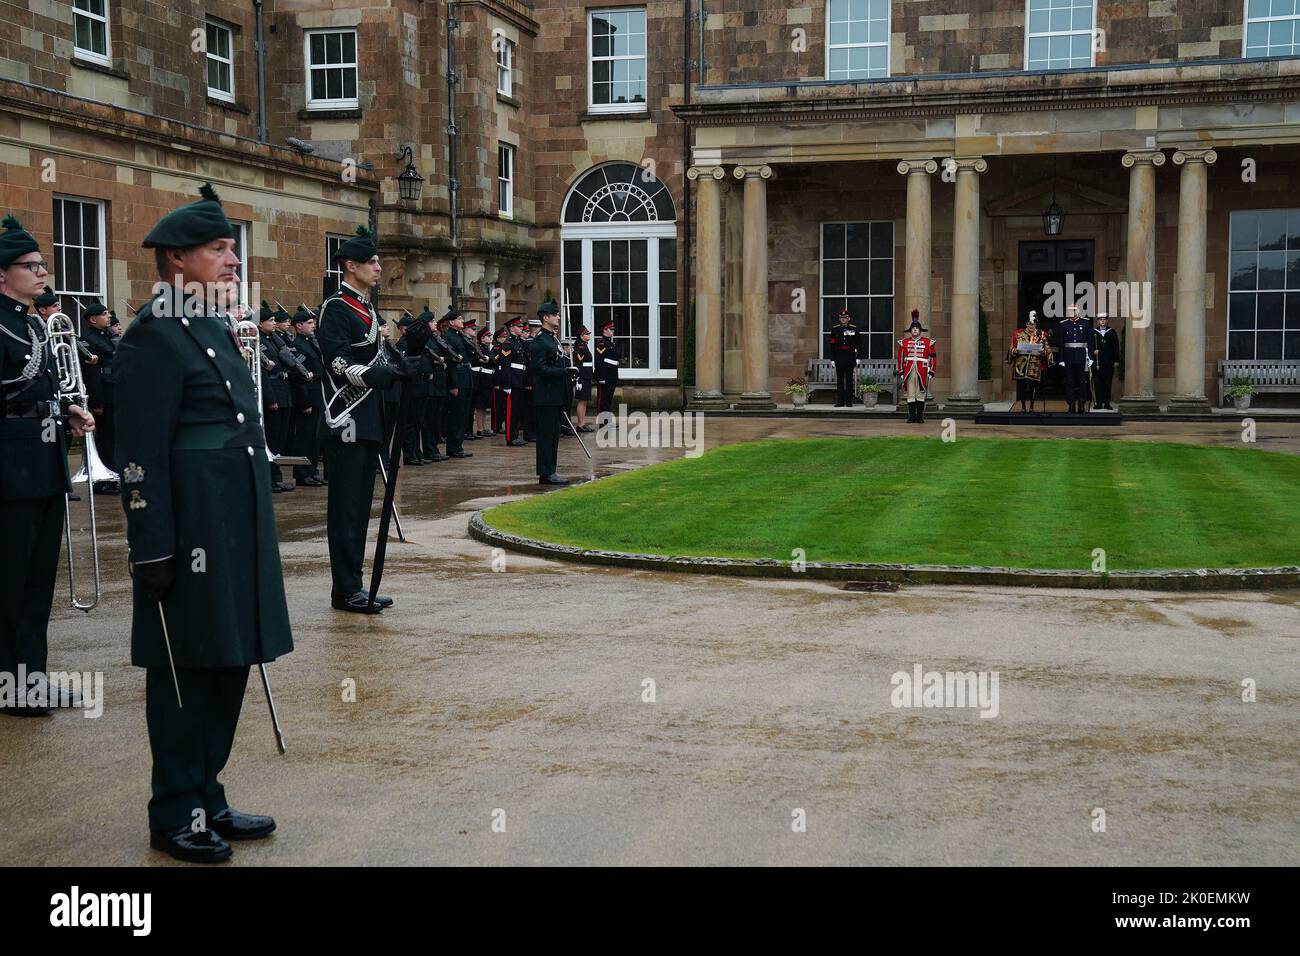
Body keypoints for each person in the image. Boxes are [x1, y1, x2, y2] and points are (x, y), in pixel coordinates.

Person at [113, 184, 293, 862]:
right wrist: (150, 543)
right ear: (177, 260)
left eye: (231, 248)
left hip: (233, 527)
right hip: (187, 533)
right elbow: (141, 452)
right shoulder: (154, 336)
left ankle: (208, 793)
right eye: (219, 249)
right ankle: (174, 808)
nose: (232, 259)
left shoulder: (212, 326)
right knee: (185, 669)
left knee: (229, 660)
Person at [0, 214, 95, 717]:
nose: (42, 273)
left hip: (42, 460)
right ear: (2, 274)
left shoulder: (32, 322)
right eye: (30, 266)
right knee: (9, 582)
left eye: (41, 265)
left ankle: (31, 677)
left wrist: (67, 410)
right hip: (9, 469)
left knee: (39, 583)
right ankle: (8, 683)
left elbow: (41, 388)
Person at [317, 225, 414, 614]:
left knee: (360, 507)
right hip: (345, 417)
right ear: (350, 266)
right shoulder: (336, 308)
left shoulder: (367, 309)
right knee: (345, 509)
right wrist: (376, 375)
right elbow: (337, 361)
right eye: (371, 262)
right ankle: (344, 589)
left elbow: (379, 357)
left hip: (369, 418)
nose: (378, 267)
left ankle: (354, 584)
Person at [528, 300, 572, 485]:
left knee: (554, 435)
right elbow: (538, 369)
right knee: (546, 436)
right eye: (555, 314)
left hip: (556, 395)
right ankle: (546, 472)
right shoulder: (540, 341)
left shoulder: (552, 339)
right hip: (546, 396)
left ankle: (550, 470)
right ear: (546, 318)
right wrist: (563, 372)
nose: (558, 317)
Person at [80, 301, 120, 492]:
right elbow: (93, 375)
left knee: (113, 437)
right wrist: (97, 402)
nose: (109, 316)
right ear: (93, 319)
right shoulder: (88, 340)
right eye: (104, 314)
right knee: (105, 438)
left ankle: (113, 474)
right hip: (103, 396)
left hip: (113, 394)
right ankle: (105, 480)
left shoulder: (106, 337)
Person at [255, 303, 293, 492]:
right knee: (271, 438)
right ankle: (269, 478)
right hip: (272, 390)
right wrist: (271, 399)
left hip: (282, 389)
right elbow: (264, 373)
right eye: (270, 320)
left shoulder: (273, 339)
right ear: (260, 324)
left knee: (279, 440)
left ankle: (276, 477)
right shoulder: (259, 341)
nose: (274, 323)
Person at [289, 305, 326, 486]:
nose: (313, 325)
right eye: (309, 323)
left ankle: (311, 469)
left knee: (314, 437)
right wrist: (304, 403)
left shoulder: (311, 342)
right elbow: (298, 378)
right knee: (304, 437)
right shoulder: (297, 346)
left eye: (313, 322)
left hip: (317, 393)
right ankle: (302, 473)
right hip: (308, 396)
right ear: (298, 325)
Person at [395, 312, 431, 466]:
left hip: (422, 384)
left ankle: (417, 451)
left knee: (417, 421)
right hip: (413, 385)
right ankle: (409, 454)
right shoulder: (404, 343)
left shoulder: (418, 343)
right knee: (409, 422)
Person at [440, 307, 473, 458]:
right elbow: (451, 363)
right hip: (457, 377)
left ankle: (458, 446)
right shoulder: (449, 337)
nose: (462, 321)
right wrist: (453, 385)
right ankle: (453, 448)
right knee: (456, 415)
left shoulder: (460, 336)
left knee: (463, 414)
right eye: (459, 319)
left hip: (465, 376)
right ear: (452, 322)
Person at [1007, 311, 1053, 413]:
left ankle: (1032, 406)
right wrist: (1015, 351)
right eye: (1029, 324)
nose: (1031, 326)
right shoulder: (1018, 334)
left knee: (1033, 387)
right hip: (1021, 365)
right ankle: (1023, 407)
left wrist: (1043, 352)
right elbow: (1011, 348)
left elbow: (1048, 349)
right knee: (1022, 387)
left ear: (1036, 324)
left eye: (1033, 324)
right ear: (1026, 324)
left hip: (1035, 365)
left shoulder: (1041, 334)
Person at [420, 310, 451, 462]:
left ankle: (433, 449)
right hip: (430, 383)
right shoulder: (424, 339)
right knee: (429, 419)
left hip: (438, 382)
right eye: (432, 322)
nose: (435, 324)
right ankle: (429, 450)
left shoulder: (434, 338)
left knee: (435, 419)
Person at [896, 310, 937, 424]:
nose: (915, 330)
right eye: (913, 329)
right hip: (909, 371)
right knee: (910, 394)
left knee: (920, 394)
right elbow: (900, 358)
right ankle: (911, 417)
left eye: (917, 329)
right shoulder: (903, 343)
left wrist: (932, 370)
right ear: (910, 331)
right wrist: (901, 371)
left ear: (920, 331)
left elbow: (933, 357)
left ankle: (919, 417)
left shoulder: (928, 342)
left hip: (922, 371)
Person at [1058, 302, 1092, 414]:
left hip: (1082, 357)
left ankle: (1082, 405)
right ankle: (1071, 405)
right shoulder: (1064, 324)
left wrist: (1090, 357)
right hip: (1069, 357)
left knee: (1082, 382)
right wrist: (1061, 358)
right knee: (1070, 382)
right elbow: (1061, 342)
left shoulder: (1085, 322)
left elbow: (1090, 341)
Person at [827, 306, 861, 407]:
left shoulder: (854, 329)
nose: (843, 319)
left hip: (850, 358)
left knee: (849, 380)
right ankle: (840, 401)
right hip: (839, 358)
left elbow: (859, 344)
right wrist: (832, 359)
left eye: (845, 317)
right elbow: (832, 345)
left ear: (848, 318)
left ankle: (849, 401)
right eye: (841, 318)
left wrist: (859, 357)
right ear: (839, 319)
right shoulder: (835, 329)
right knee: (840, 380)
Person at [1091, 312, 1120, 410]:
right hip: (1097, 362)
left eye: (1104, 319)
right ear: (1098, 321)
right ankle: (1099, 403)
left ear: (1107, 320)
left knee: (1107, 382)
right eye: (1100, 319)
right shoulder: (1094, 332)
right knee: (1098, 383)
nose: (1102, 321)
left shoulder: (1112, 332)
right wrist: (1093, 352)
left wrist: (1116, 360)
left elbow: (1116, 347)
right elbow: (1090, 346)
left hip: (1108, 361)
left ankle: (1107, 403)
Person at [593, 319, 621, 418]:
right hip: (605, 376)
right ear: (605, 330)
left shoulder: (610, 343)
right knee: (603, 400)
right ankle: (602, 422)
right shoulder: (602, 343)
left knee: (608, 400)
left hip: (611, 376)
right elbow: (599, 361)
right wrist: (601, 377)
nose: (613, 331)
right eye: (611, 329)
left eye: (613, 329)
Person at [472, 326, 495, 438]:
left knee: (485, 406)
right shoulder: (480, 348)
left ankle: (484, 427)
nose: (490, 337)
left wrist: (489, 360)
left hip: (487, 379)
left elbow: (493, 361)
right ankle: (480, 428)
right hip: (481, 379)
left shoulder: (487, 349)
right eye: (488, 336)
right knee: (480, 405)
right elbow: (478, 360)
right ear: (482, 338)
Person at [572, 325, 595, 432]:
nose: (588, 335)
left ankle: (583, 423)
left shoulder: (584, 346)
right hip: (582, 375)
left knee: (585, 400)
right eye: (586, 334)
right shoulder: (581, 347)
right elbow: (579, 361)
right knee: (582, 400)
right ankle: (580, 424)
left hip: (587, 375)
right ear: (581, 336)